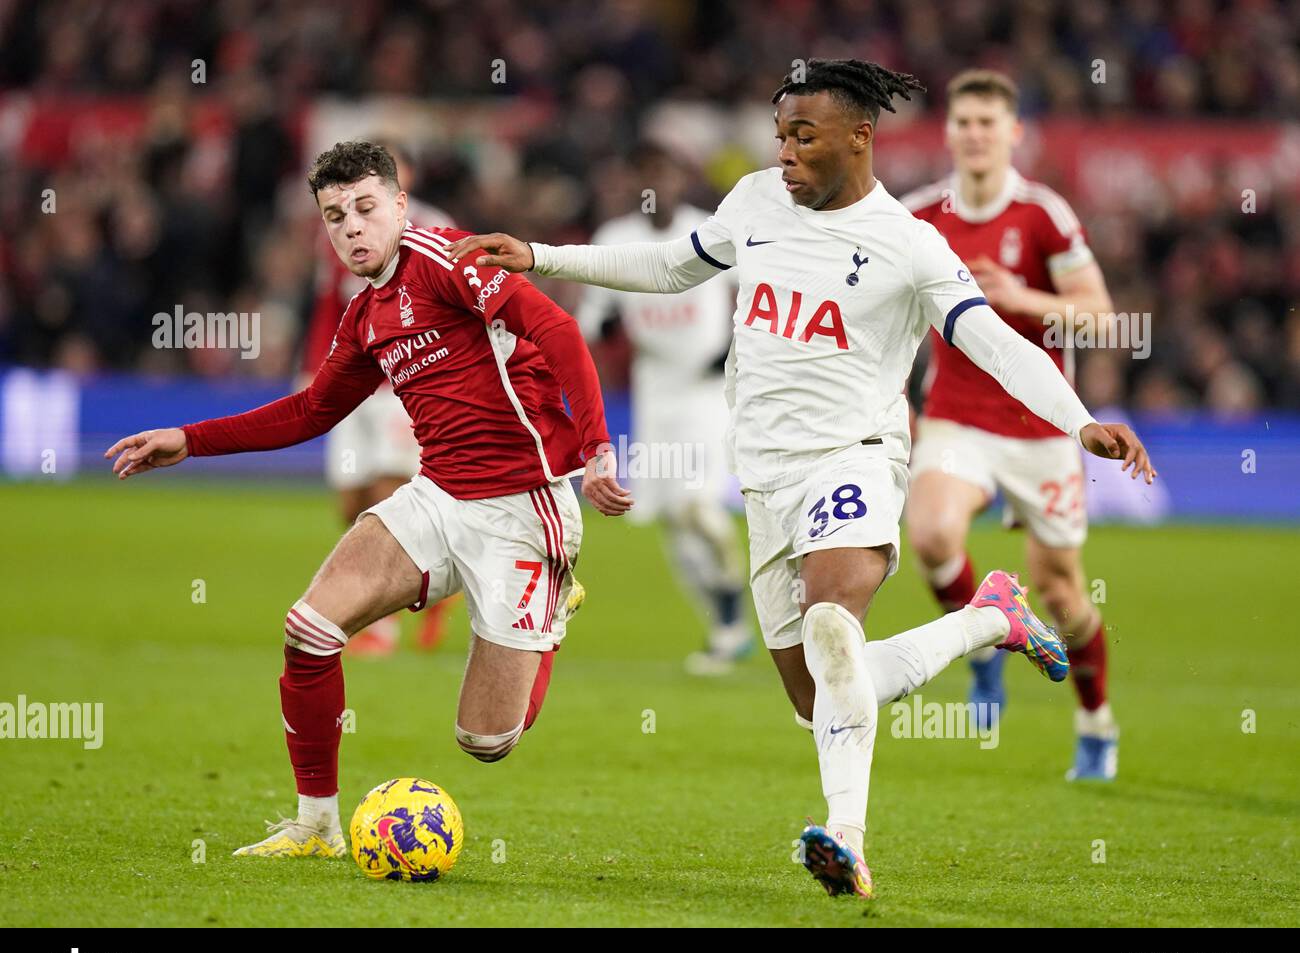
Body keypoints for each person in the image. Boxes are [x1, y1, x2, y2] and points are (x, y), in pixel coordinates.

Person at [446, 59, 1155, 899]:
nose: (783, 152)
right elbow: (673, 266)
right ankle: (988, 618)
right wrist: (540, 256)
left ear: (860, 136)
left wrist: (1079, 419)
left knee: (830, 624)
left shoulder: (908, 244)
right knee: (819, 695)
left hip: (856, 457)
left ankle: (847, 841)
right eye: (779, 134)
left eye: (802, 135)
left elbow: (994, 343)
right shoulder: (754, 202)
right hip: (766, 479)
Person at [106, 141, 630, 859]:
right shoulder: (365, 315)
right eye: (334, 216)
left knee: (485, 741)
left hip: (523, 509)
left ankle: (553, 613)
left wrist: (599, 450)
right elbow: (310, 412)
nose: (351, 227)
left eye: (364, 208)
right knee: (309, 630)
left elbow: (557, 328)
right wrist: (188, 440)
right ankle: (315, 824)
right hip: (437, 497)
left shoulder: (447, 259)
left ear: (399, 204)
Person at [901, 70, 1120, 779]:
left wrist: (1019, 295)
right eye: (962, 121)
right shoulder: (918, 215)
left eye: (987, 123)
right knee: (931, 532)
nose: (973, 134)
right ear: (949, 132)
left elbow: (1101, 315)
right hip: (957, 418)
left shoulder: (1043, 215)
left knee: (1062, 594)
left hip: (1041, 429)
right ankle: (986, 643)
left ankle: (1095, 720)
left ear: (1013, 133)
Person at [577, 142, 752, 674]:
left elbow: (757, 294)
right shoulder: (616, 239)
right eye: (646, 178)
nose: (657, 189)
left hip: (706, 391)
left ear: (682, 181)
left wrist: (732, 350)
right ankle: (726, 625)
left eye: (666, 177)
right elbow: (593, 315)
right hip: (655, 396)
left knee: (696, 507)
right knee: (673, 524)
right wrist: (605, 326)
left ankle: (735, 606)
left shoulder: (711, 233)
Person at [297, 140, 457, 656]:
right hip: (353, 380)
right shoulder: (340, 235)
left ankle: (380, 624)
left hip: (401, 385)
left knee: (390, 494)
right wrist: (313, 367)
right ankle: (440, 588)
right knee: (351, 499)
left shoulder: (435, 230)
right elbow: (329, 301)